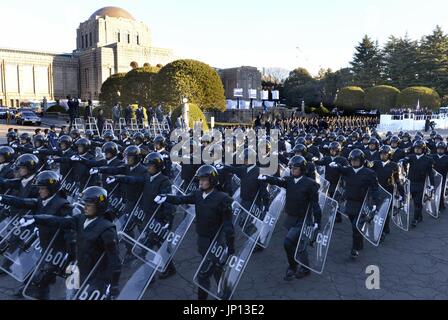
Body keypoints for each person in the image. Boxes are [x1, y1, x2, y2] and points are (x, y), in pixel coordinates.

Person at [20, 186, 122, 300]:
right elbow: (59, 221)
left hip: (95, 275)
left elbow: (115, 259)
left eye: (88, 205)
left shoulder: (107, 229)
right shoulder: (81, 219)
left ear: (99, 206)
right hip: (75, 268)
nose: (85, 208)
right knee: (70, 296)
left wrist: (113, 285)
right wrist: (36, 218)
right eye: (84, 204)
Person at [155, 165, 235, 300]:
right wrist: (166, 197)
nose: (201, 182)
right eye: (200, 180)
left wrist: (230, 245)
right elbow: (182, 199)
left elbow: (228, 225)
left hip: (216, 241)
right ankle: (226, 293)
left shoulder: (223, 198)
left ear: (212, 181)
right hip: (202, 239)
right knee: (216, 270)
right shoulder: (198, 194)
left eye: (204, 180)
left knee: (203, 274)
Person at [259, 156, 321, 281]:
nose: (293, 170)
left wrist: (317, 222)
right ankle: (304, 267)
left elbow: (315, 205)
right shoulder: (289, 180)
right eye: (291, 167)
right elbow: (279, 181)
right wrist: (267, 178)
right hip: (290, 217)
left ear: (302, 169)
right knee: (298, 244)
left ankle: (293, 266)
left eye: (296, 168)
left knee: (288, 242)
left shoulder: (310, 184)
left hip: (303, 219)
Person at [330, 149, 380, 258]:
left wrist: (375, 204)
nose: (353, 163)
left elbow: (375, 189)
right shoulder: (348, 170)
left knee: (355, 226)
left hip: (362, 204)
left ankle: (355, 248)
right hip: (350, 203)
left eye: (356, 161)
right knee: (354, 225)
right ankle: (359, 242)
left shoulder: (369, 173)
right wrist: (335, 165)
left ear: (361, 161)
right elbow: (340, 169)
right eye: (352, 161)